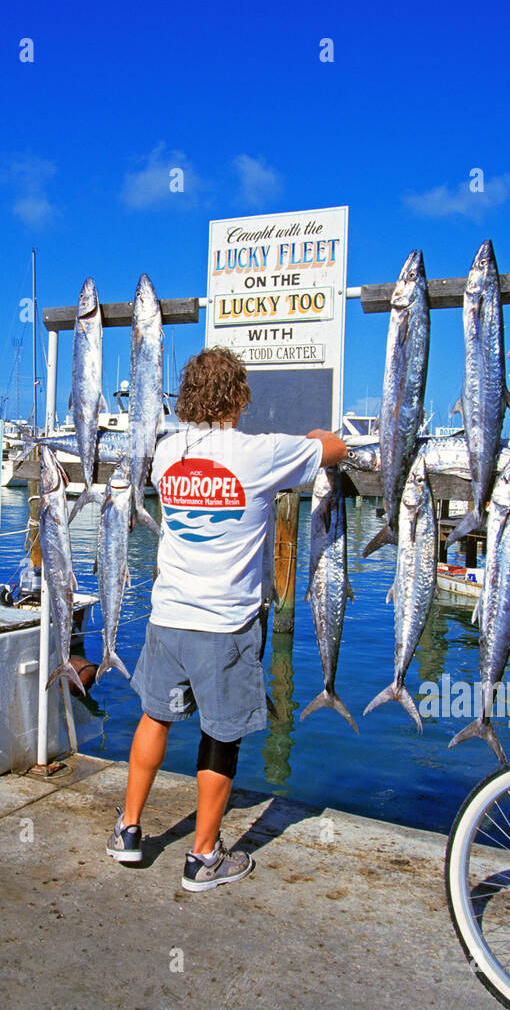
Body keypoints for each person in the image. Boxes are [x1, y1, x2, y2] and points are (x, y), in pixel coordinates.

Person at [106, 346, 346, 890]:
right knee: (221, 735)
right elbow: (337, 447)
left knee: (154, 717)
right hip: (226, 624)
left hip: (167, 616)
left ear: (187, 398)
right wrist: (311, 437)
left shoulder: (166, 452)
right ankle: (203, 856)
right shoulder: (260, 453)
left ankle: (127, 830)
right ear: (239, 398)